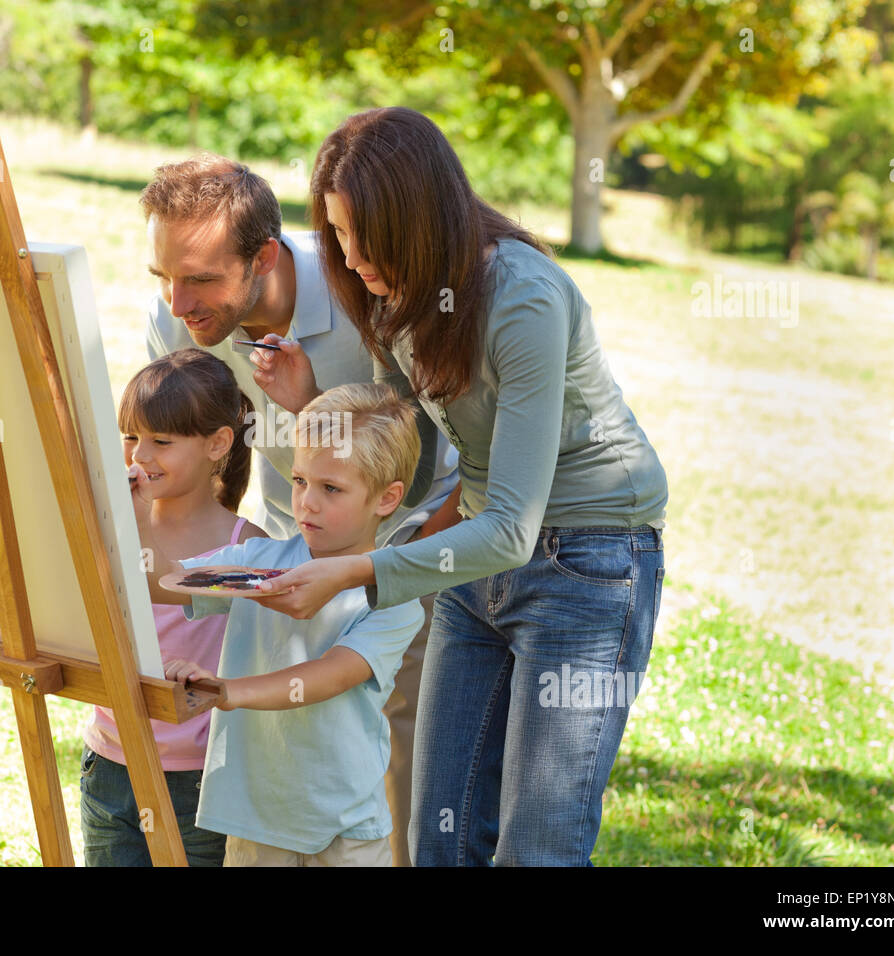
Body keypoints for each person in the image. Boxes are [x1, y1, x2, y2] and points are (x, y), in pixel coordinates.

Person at [247, 107, 669, 866]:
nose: (352, 257)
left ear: (420, 217)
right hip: (472, 564)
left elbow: (514, 526)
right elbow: (403, 478)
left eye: (366, 235)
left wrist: (355, 573)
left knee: (535, 848)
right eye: (337, 233)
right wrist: (312, 408)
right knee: (438, 838)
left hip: (590, 564)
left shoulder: (523, 297)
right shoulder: (393, 293)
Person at [140, 154, 460, 865]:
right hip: (288, 545)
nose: (176, 302)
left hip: (403, 548)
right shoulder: (178, 321)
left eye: (198, 278)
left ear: (264, 258)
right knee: (289, 742)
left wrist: (389, 571)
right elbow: (193, 454)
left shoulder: (364, 294)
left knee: (384, 733)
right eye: (163, 276)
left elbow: (427, 461)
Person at [140, 384, 424, 866]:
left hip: (347, 831)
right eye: (298, 481)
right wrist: (134, 515)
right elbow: (168, 582)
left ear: (387, 497)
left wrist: (226, 691)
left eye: (330, 488)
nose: (307, 503)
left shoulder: (392, 595)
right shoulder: (258, 561)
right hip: (256, 821)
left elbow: (329, 676)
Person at [79, 349, 266, 866]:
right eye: (131, 438)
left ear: (218, 444)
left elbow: (171, 585)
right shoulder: (113, 525)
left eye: (161, 441)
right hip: (110, 762)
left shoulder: (247, 546)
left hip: (199, 779)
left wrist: (129, 526)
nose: (140, 456)